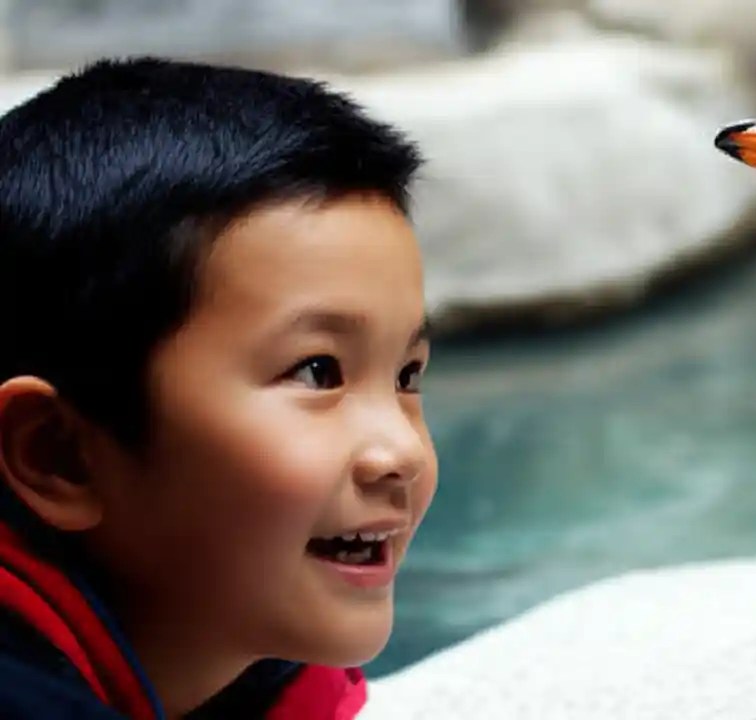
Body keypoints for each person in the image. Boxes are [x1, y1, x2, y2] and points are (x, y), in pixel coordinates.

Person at [0, 56, 439, 718]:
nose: (401, 451)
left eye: (407, 376)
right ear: (60, 455)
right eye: (318, 372)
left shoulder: (266, 672)